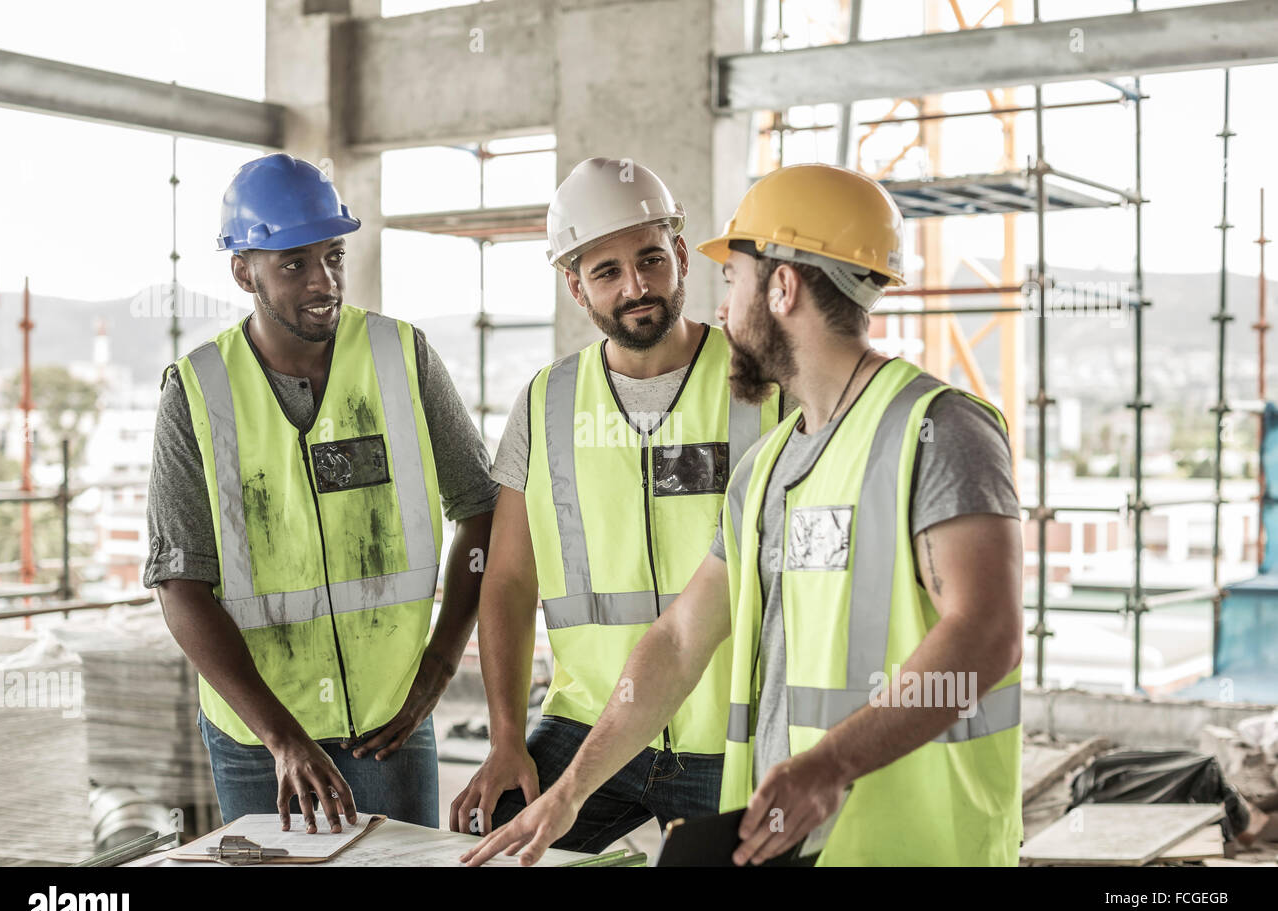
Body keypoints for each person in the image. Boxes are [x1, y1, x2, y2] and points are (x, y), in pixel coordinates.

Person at [461, 163, 1023, 867]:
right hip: (796, 823)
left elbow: (986, 633)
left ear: (781, 288)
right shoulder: (769, 467)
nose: (722, 310)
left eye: (736, 282)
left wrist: (828, 766)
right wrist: (570, 790)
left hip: (924, 841)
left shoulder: (939, 429)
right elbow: (678, 641)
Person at [144, 153, 496, 833]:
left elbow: (481, 510)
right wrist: (281, 739)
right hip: (258, 740)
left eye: (333, 257)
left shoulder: (403, 357)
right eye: (294, 264)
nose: (323, 282)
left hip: (388, 723)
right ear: (244, 270)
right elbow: (179, 583)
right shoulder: (195, 393)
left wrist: (442, 662)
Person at [448, 157, 783, 852]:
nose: (637, 287)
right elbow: (508, 581)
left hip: (730, 726)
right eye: (606, 272)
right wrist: (507, 738)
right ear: (575, 286)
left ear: (682, 257)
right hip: (587, 724)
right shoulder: (547, 403)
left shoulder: (764, 384)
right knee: (490, 849)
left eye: (651, 260)